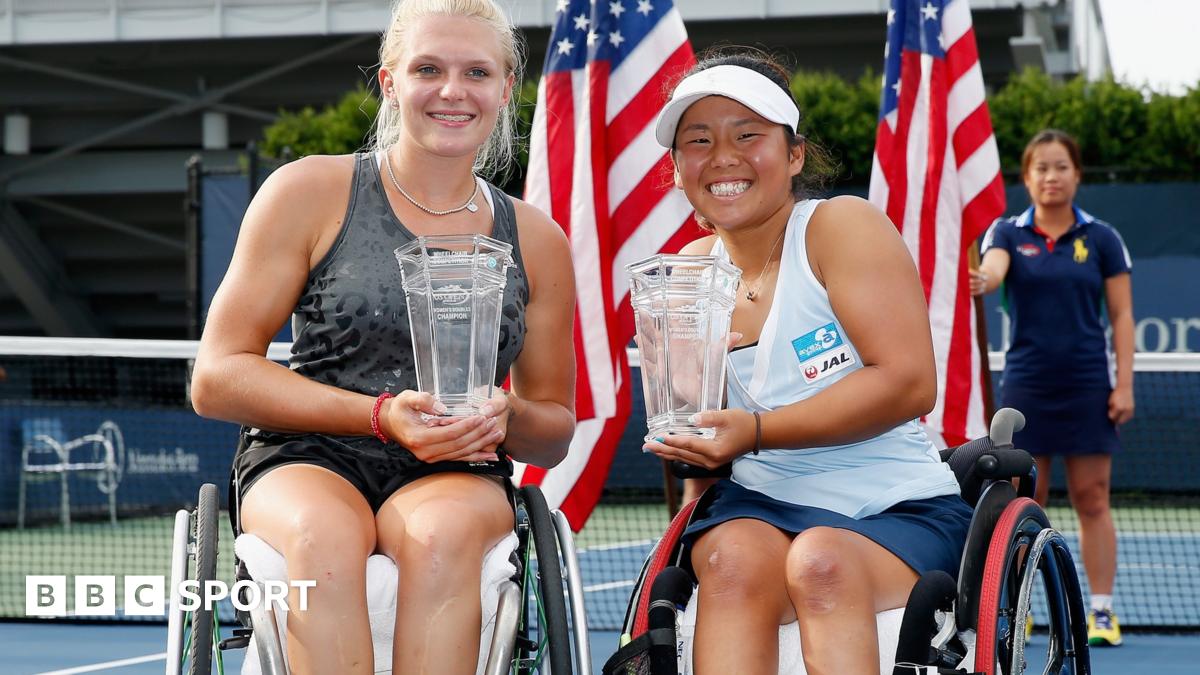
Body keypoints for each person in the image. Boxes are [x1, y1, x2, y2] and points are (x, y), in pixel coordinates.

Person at [190, 1, 577, 672]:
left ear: (506, 88)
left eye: (476, 72)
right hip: (307, 455)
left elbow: (554, 428)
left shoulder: (537, 240)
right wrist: (380, 416)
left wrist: (505, 413)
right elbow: (216, 376)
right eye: (428, 68)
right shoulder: (308, 191)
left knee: (442, 536)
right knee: (323, 534)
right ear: (390, 82)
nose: (453, 91)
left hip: (457, 468)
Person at [641, 50, 972, 674]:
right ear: (678, 167)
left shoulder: (840, 225)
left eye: (748, 135)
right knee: (729, 562)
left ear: (793, 154)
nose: (723, 157)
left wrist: (757, 431)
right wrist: (689, 428)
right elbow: (696, 429)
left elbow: (907, 383)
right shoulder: (683, 271)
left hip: (892, 501)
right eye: (698, 140)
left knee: (822, 561)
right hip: (758, 502)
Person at [972, 128, 1133, 647]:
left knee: (1092, 497)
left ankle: (1102, 612)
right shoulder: (1006, 234)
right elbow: (993, 272)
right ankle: (1018, 606)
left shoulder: (1103, 238)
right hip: (1027, 387)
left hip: (1089, 384)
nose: (1051, 177)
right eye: (1041, 168)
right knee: (1023, 500)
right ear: (1027, 177)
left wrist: (1123, 384)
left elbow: (1123, 314)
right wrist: (981, 279)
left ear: (1077, 174)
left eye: (1061, 166)